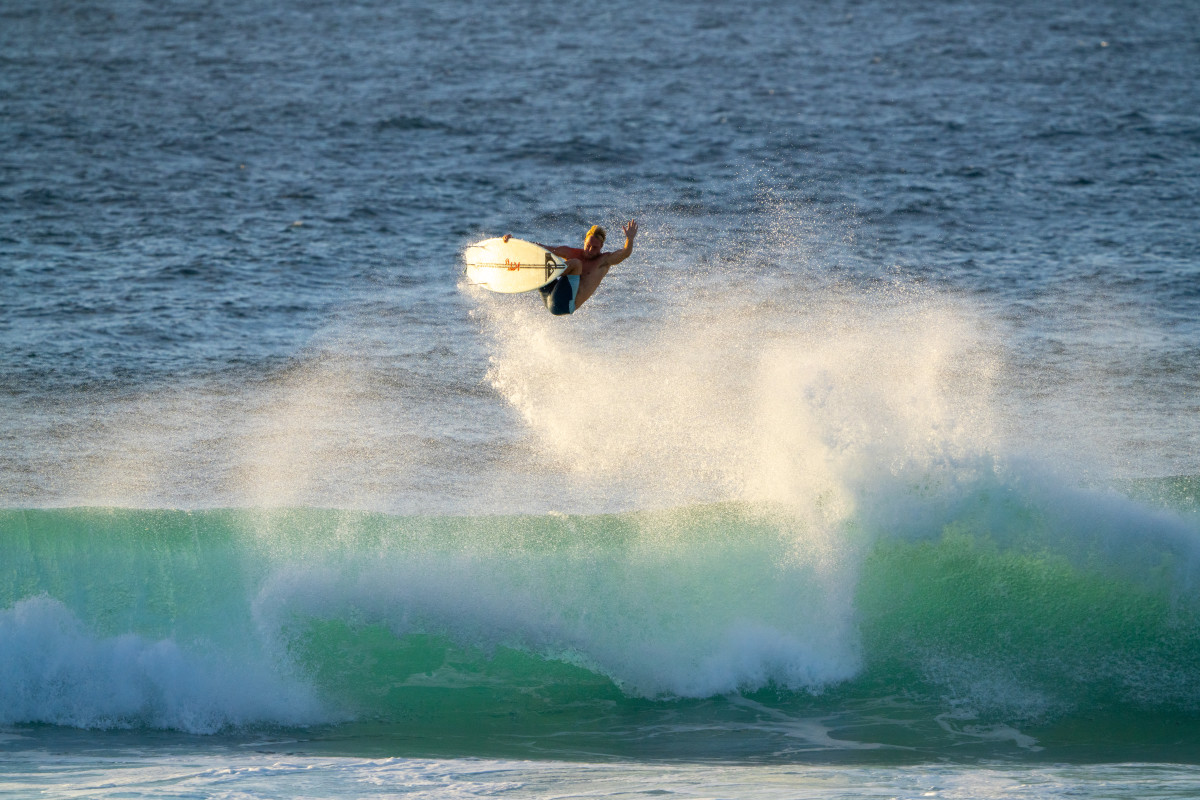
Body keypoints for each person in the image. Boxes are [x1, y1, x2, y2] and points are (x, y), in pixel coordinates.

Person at [503, 220, 638, 315]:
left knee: (576, 264)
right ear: (584, 241)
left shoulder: (604, 261)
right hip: (550, 296)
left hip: (565, 304)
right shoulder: (571, 252)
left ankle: (535, 270)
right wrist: (515, 242)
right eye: (588, 245)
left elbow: (625, 253)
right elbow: (543, 248)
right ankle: (518, 266)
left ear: (601, 247)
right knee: (542, 255)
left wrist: (629, 239)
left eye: (595, 247)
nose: (590, 250)